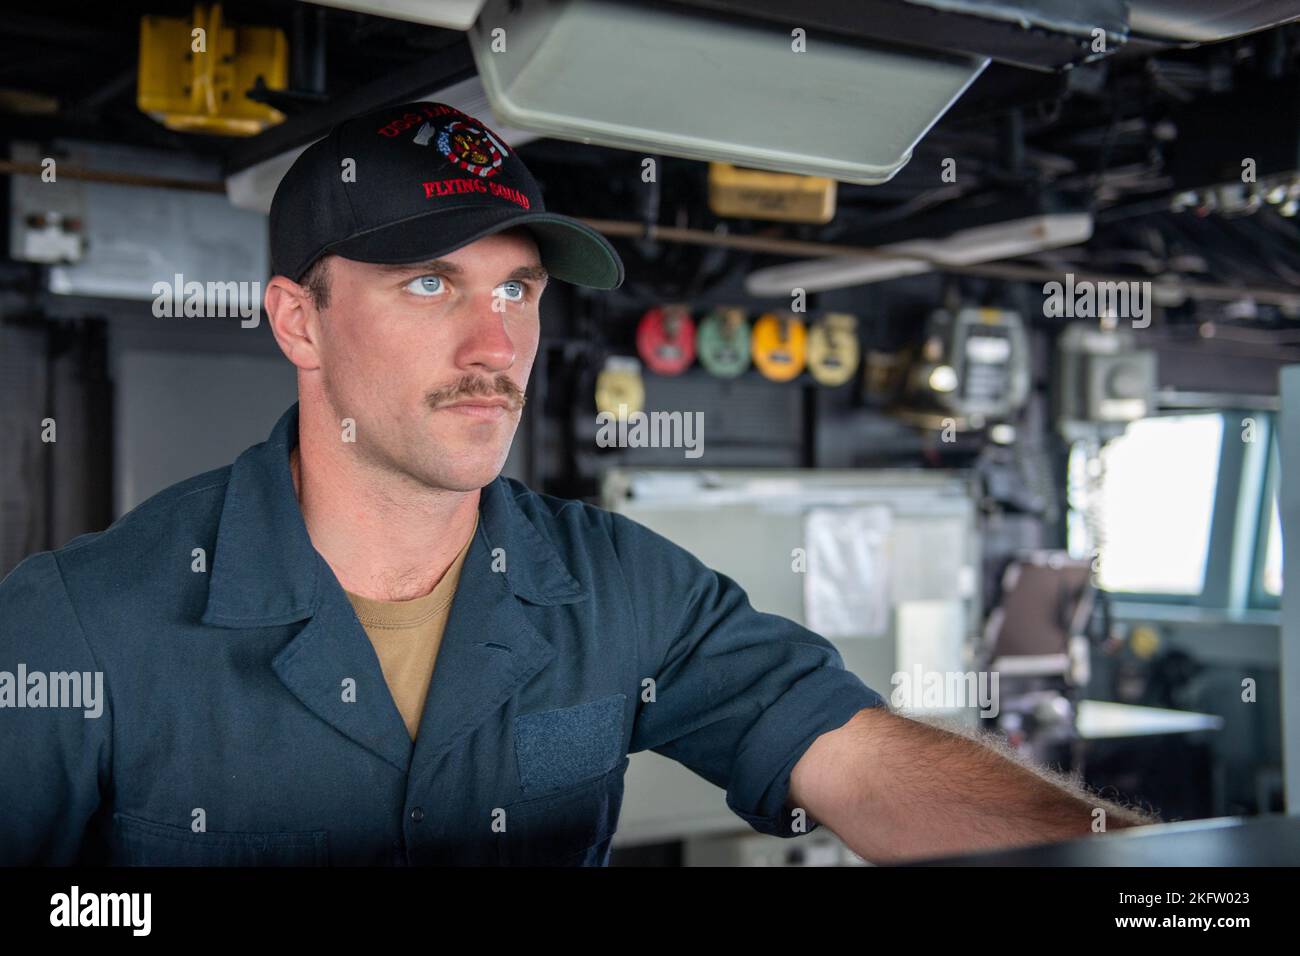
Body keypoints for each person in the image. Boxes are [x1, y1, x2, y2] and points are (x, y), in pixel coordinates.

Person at [0, 101, 1154, 866]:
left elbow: (850, 753)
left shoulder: (619, 588)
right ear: (299, 321)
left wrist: (1155, 882)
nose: (495, 347)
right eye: (429, 286)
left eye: (518, 291)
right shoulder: (81, 622)